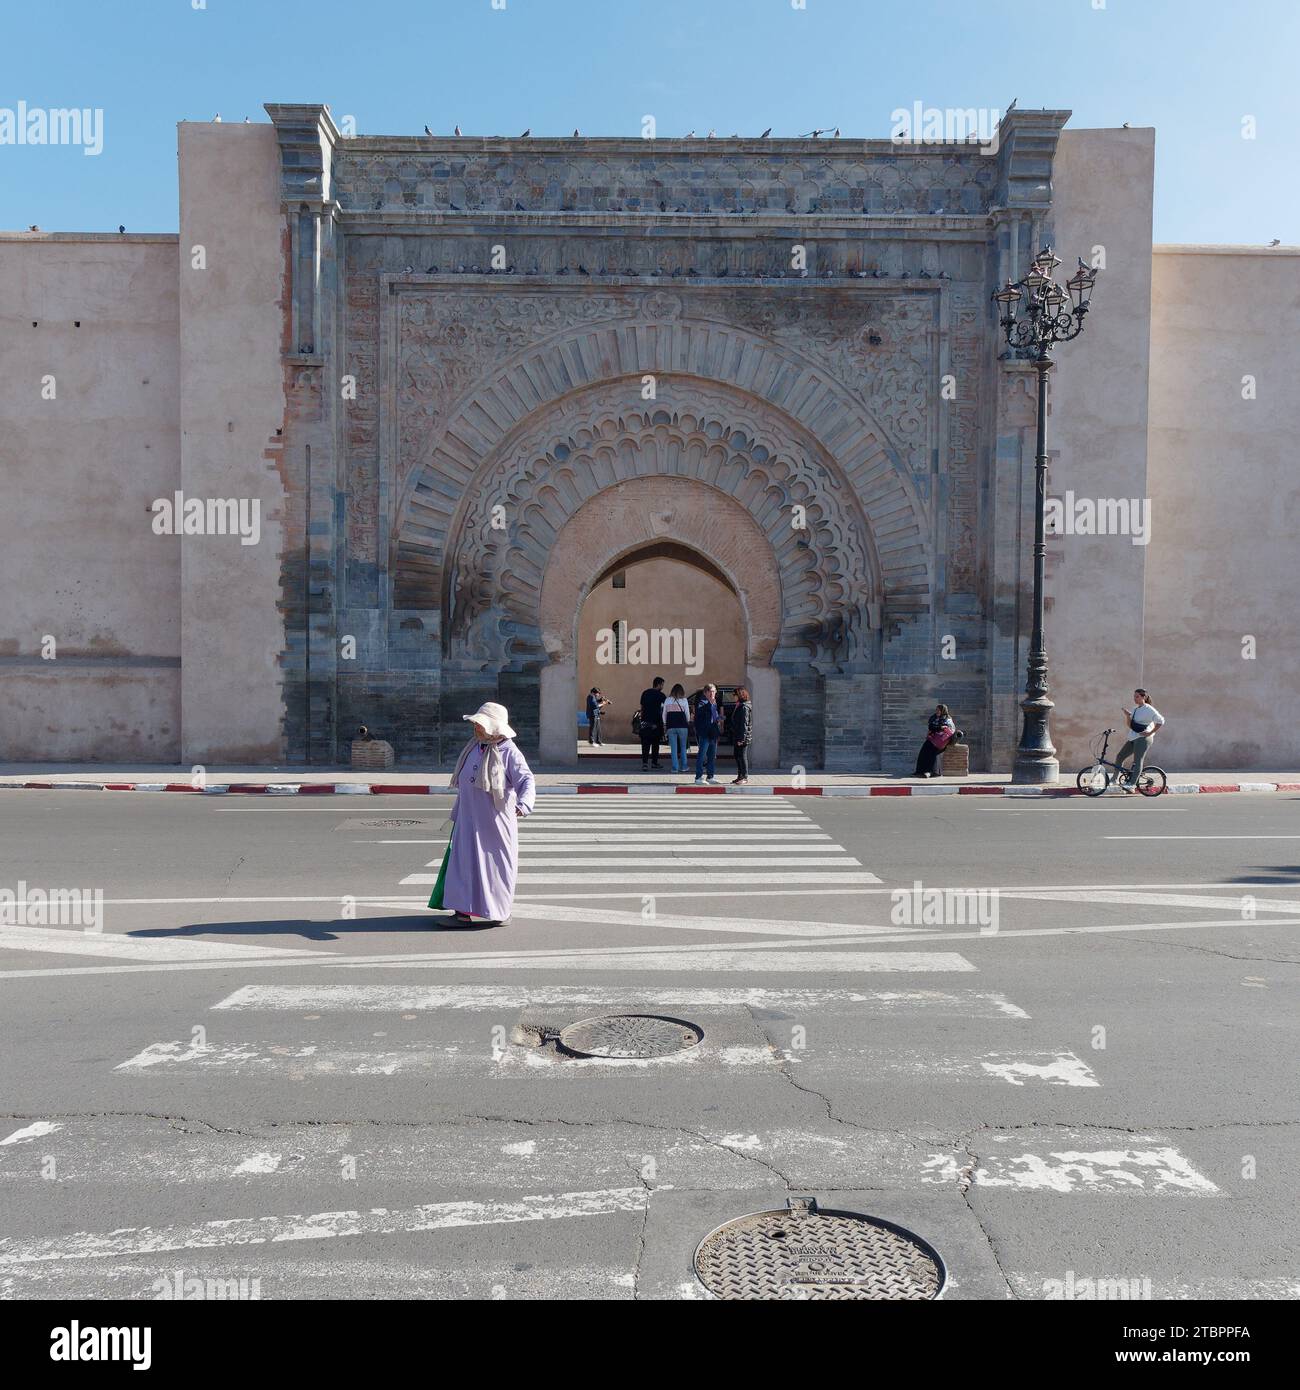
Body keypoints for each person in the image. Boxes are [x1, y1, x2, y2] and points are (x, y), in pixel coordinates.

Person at [437, 701, 535, 927]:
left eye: (480, 724)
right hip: (468, 820)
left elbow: (526, 780)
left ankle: (499, 912)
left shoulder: (509, 752)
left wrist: (523, 804)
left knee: (495, 868)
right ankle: (462, 912)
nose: (476, 728)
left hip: (494, 824)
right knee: (463, 864)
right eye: (476, 724)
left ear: (494, 727)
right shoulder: (474, 746)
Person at [1115, 688, 1165, 793]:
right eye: (1134, 696)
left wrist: (1150, 733)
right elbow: (1130, 725)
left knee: (1137, 761)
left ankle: (1132, 785)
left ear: (1144, 697)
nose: (1135, 698)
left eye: (1137, 696)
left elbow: (1161, 721)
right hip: (1133, 737)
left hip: (1143, 738)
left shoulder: (1149, 709)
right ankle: (1114, 778)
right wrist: (1128, 716)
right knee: (1120, 756)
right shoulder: (1135, 709)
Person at [914, 704, 959, 778]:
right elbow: (931, 727)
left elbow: (949, 731)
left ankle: (932, 772)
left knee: (933, 753)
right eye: (936, 710)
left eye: (939, 710)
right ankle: (920, 771)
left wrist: (937, 728)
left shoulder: (947, 719)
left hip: (941, 741)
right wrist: (940, 727)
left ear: (943, 711)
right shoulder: (934, 718)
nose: (937, 711)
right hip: (932, 738)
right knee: (923, 751)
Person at [694, 682, 722, 784]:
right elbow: (699, 716)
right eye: (710, 691)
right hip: (705, 733)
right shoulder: (702, 702)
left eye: (714, 691)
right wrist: (710, 703)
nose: (712, 694)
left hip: (713, 732)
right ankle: (698, 777)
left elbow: (713, 716)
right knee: (702, 755)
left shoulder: (714, 703)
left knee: (712, 755)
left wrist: (719, 718)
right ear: (705, 692)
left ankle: (710, 776)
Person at [639, 675, 667, 770]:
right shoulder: (661, 695)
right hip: (656, 723)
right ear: (658, 684)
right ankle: (654, 763)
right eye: (662, 685)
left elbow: (642, 707)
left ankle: (645, 763)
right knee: (655, 744)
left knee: (645, 744)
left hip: (645, 722)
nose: (663, 687)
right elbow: (665, 709)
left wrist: (642, 719)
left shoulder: (645, 693)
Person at [663, 683, 691, 772]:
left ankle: (675, 768)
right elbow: (687, 714)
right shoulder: (684, 700)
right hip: (682, 725)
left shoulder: (667, 700)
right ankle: (684, 766)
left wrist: (664, 723)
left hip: (671, 725)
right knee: (683, 747)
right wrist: (688, 721)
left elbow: (664, 714)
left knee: (673, 748)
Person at [728, 686, 754, 784]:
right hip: (737, 735)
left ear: (739, 695)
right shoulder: (739, 705)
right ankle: (740, 776)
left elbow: (744, 723)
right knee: (737, 755)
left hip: (742, 737)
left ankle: (745, 777)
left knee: (742, 756)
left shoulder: (744, 707)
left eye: (734, 695)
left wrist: (741, 739)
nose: (733, 697)